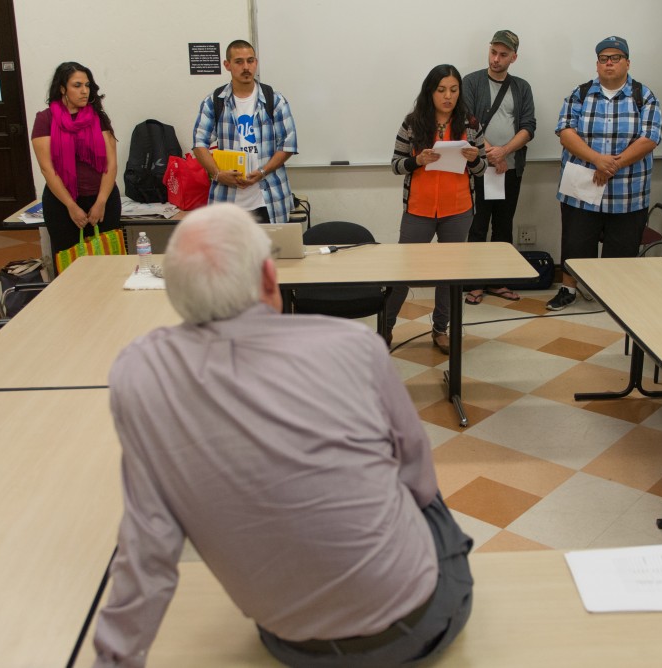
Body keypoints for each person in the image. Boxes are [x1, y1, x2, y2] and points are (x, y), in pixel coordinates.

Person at [91, 203, 473, 668]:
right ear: (270, 278)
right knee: (425, 496)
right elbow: (417, 481)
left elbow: (148, 543)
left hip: (293, 643)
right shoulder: (355, 346)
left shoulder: (137, 373)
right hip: (419, 626)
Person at [548, 36, 662, 311]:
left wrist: (613, 165)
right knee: (575, 242)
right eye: (603, 58)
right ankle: (568, 289)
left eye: (616, 58)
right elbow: (565, 132)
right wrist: (597, 160)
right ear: (597, 63)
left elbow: (650, 138)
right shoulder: (581, 93)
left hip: (627, 192)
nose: (609, 63)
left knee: (622, 247)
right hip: (582, 187)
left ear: (627, 62)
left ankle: (615, 295)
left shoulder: (643, 96)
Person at [387, 65, 487, 353]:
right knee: (403, 272)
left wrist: (472, 158)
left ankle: (441, 329)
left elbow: (481, 169)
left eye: (453, 90)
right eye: (441, 90)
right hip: (419, 208)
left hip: (458, 209)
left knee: (449, 273)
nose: (448, 96)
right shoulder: (412, 123)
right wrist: (417, 161)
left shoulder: (469, 123)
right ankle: (386, 327)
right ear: (430, 92)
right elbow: (395, 165)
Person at [462, 30, 536, 304]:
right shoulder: (471, 82)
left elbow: (529, 127)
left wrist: (505, 152)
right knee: (477, 225)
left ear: (513, 57)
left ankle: (498, 281)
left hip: (511, 167)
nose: (496, 59)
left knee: (504, 225)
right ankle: (475, 283)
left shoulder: (522, 87)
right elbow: (468, 122)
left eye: (503, 54)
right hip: (479, 166)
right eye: (493, 52)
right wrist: (492, 153)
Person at [192, 40, 297, 224]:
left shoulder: (275, 100)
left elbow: (288, 144)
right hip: (228, 201)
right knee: (230, 252)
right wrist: (217, 174)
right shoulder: (214, 102)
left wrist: (263, 171)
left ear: (256, 62)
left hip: (269, 198)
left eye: (250, 61)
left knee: (271, 251)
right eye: (239, 62)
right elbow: (199, 143)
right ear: (227, 65)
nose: (246, 67)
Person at [30, 62, 120, 264]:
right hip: (63, 203)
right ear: (62, 88)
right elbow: (47, 168)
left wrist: (101, 202)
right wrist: (71, 205)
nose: (84, 91)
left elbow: (111, 164)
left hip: (102, 200)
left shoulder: (98, 118)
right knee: (70, 265)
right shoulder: (45, 120)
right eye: (77, 85)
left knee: (108, 262)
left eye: (87, 85)